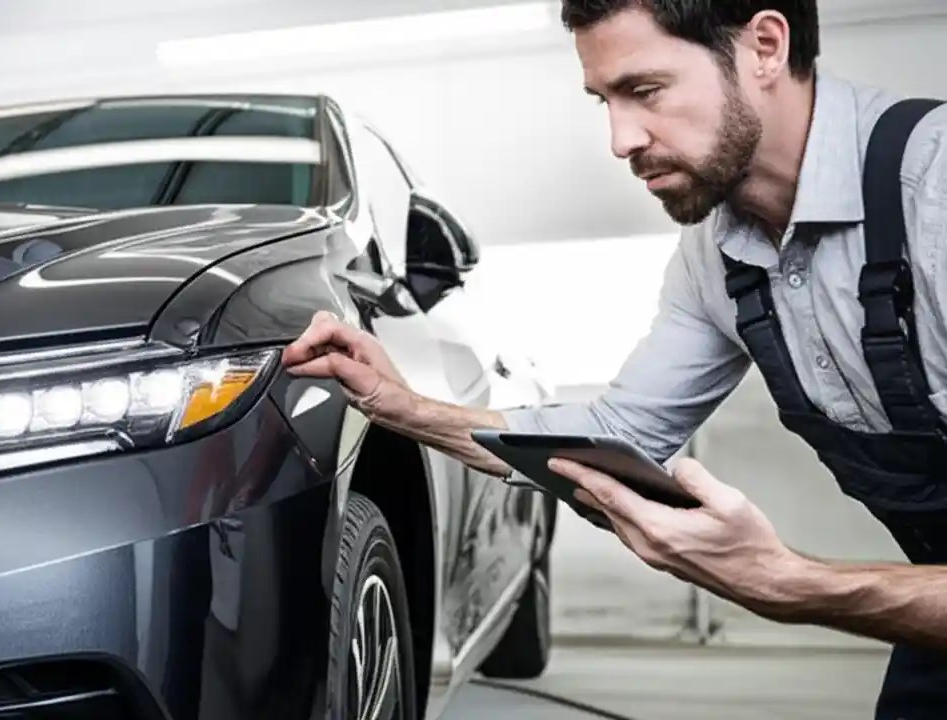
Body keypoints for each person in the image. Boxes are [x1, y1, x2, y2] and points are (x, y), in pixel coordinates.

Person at [281, 1, 947, 717]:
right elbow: (619, 433)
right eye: (605, 100)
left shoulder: (933, 191)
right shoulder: (716, 258)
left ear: (764, 46)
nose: (621, 139)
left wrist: (787, 582)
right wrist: (404, 406)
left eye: (646, 91)